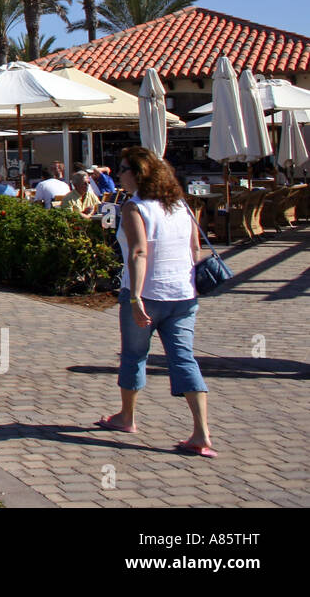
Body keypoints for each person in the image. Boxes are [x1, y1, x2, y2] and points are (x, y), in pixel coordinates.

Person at [98, 146, 215, 458]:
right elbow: (195, 248)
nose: (118, 173)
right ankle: (201, 431)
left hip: (147, 294)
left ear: (138, 174)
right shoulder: (180, 205)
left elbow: (138, 252)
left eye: (122, 169)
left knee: (134, 355)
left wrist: (135, 296)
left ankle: (126, 417)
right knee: (184, 358)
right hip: (183, 293)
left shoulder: (134, 208)